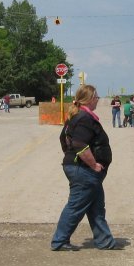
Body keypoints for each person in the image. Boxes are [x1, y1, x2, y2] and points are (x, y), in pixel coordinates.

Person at [51, 84, 119, 251]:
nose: (97, 99)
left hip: (83, 170)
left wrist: (70, 156)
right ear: (89, 99)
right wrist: (93, 164)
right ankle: (59, 242)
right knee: (75, 206)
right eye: (96, 97)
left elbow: (64, 139)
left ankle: (105, 241)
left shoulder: (77, 117)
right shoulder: (83, 118)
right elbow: (80, 144)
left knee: (96, 207)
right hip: (84, 171)